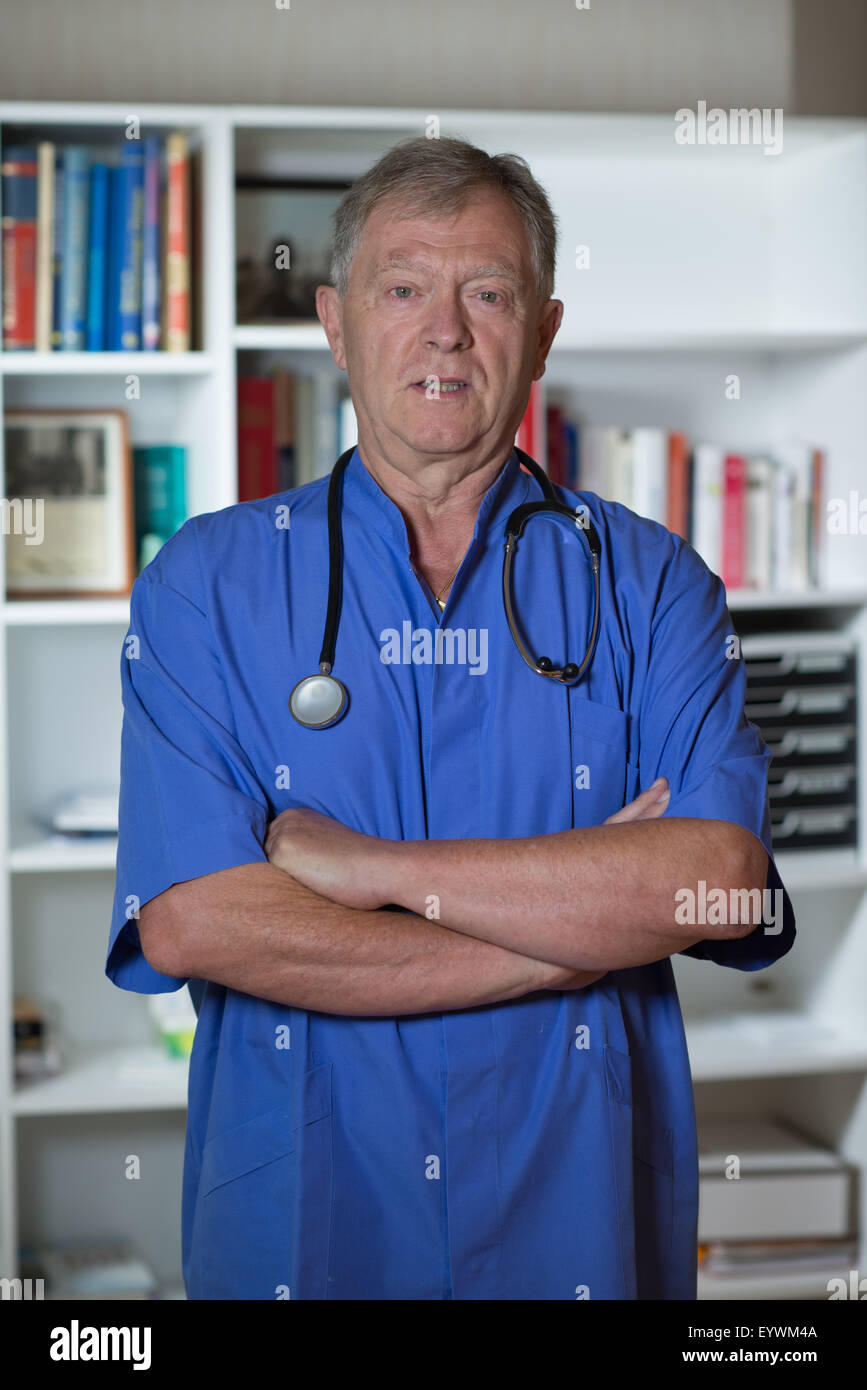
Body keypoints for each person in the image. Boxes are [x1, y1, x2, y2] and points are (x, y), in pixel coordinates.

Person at [106, 135, 795, 1300]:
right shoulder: (204, 585)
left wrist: (365, 866)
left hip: (579, 1223)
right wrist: (567, 939)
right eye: (404, 287)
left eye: (488, 292)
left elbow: (710, 882)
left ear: (544, 327)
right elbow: (194, 923)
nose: (445, 330)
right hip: (310, 1229)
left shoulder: (655, 582)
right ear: (335, 321)